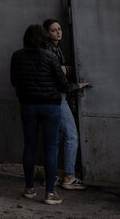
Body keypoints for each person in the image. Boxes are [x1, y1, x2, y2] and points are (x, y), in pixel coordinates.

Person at [10, 24, 71, 205]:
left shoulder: (17, 56)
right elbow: (63, 84)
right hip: (50, 107)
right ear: (44, 38)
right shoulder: (51, 56)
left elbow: (14, 81)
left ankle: (29, 188)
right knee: (50, 147)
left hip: (27, 105)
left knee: (29, 145)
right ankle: (50, 194)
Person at [43, 18, 90, 190]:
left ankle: (52, 175)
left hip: (53, 97)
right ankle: (69, 176)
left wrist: (66, 69)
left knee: (57, 137)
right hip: (58, 97)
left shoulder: (55, 47)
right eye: (54, 30)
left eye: (59, 29)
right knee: (71, 135)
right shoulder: (49, 49)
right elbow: (58, 75)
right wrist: (75, 84)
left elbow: (62, 71)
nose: (58, 32)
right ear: (47, 33)